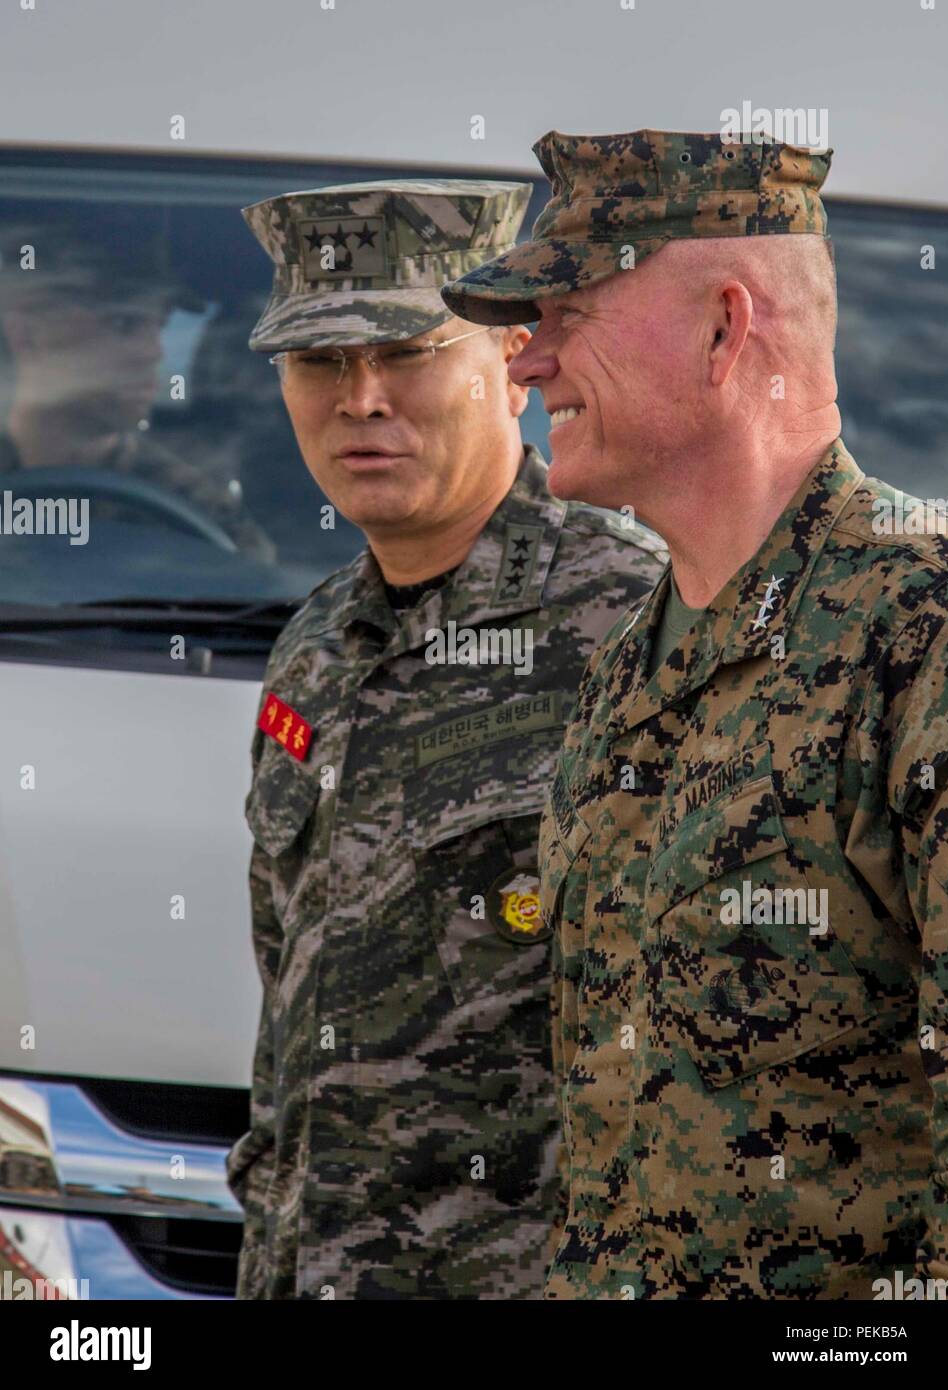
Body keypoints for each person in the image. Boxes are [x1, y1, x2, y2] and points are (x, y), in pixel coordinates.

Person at [444, 127, 948, 1299]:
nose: (526, 363)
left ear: (727, 330)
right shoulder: (632, 668)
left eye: (571, 311)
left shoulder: (925, 631)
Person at [224, 177, 667, 1299]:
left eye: (409, 354)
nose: (361, 401)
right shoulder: (318, 646)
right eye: (321, 363)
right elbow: (289, 1008)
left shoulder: (636, 625)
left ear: (514, 359)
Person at [0, 225, 274, 559]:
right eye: (123, 324)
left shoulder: (194, 504)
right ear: (26, 336)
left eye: (160, 325)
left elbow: (261, 594)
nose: (154, 352)